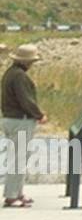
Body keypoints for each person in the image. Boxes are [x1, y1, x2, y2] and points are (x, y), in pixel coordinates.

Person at [1, 44, 45, 207]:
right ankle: (12, 196)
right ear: (28, 61)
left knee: (18, 158)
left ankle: (18, 192)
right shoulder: (20, 76)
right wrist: (39, 115)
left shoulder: (10, 73)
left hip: (11, 119)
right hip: (20, 121)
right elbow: (25, 99)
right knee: (18, 159)